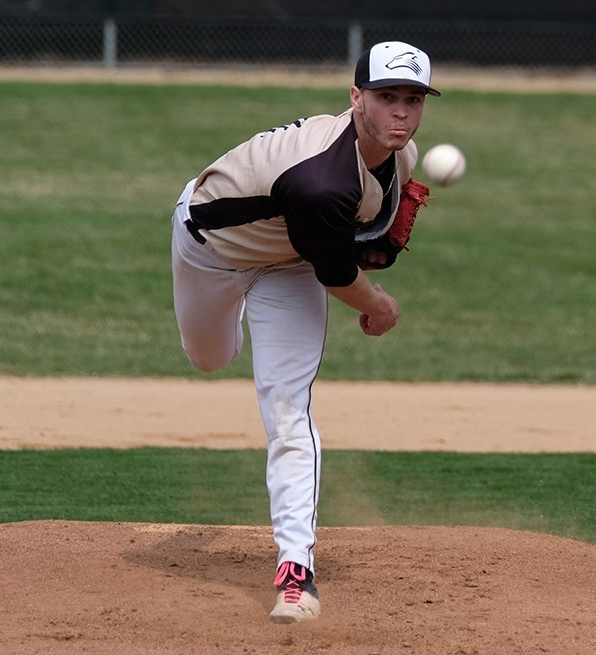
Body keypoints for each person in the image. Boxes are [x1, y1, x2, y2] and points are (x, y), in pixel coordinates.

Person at [170, 41, 440, 623]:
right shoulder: (323, 178)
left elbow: (353, 248)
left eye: (413, 99)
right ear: (355, 97)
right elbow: (341, 275)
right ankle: (239, 315)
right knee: (210, 358)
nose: (400, 112)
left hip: (290, 266)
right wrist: (381, 306)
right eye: (386, 96)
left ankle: (296, 571)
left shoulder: (402, 154)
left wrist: (369, 251)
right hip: (211, 251)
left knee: (289, 409)